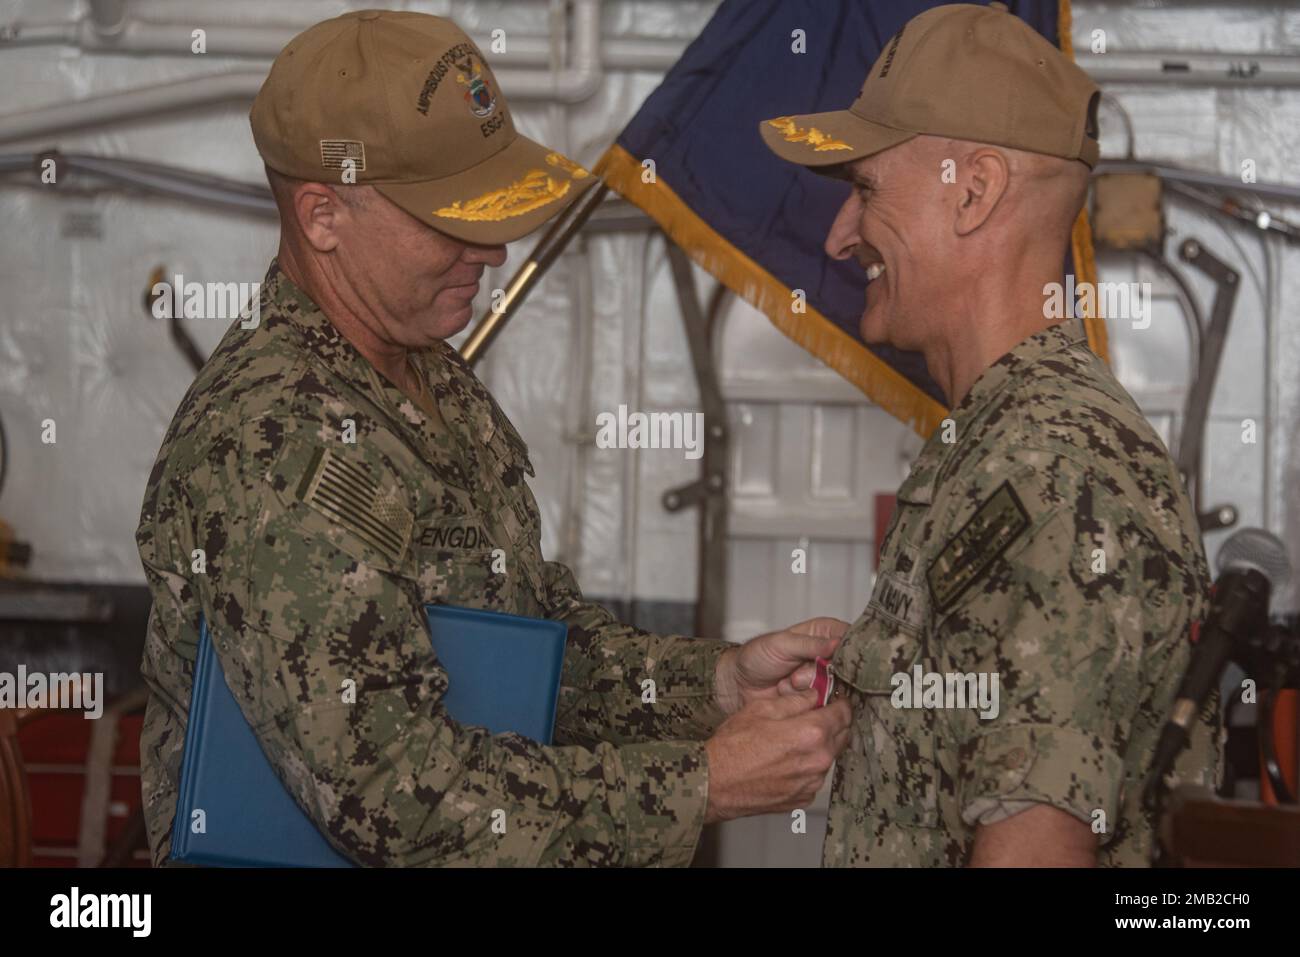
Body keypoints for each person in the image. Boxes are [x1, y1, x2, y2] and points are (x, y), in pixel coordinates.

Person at [137, 9, 851, 868]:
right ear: (323, 215)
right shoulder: (272, 437)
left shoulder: (426, 378)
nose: (494, 248)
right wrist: (703, 784)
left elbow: (536, 643)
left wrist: (717, 684)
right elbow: (392, 795)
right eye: (449, 216)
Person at [761, 1, 1219, 866]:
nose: (837, 235)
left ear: (972, 192)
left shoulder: (1052, 468)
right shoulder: (995, 440)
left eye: (863, 190)